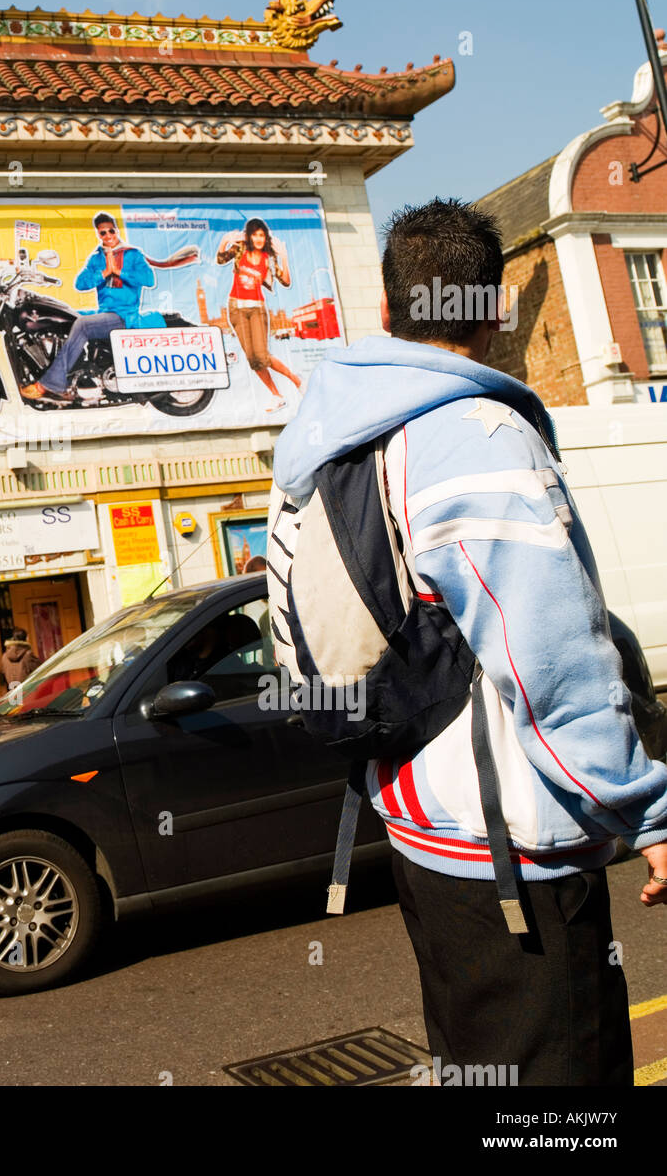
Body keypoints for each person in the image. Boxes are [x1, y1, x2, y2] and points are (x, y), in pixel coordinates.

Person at [270, 196, 667, 1085]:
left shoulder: (326, 444)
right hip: (514, 854)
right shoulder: (475, 437)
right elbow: (549, 657)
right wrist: (646, 811)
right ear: (491, 312)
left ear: (387, 310)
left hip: (415, 829)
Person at [20, 212, 158, 401]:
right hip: (104, 314)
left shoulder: (132, 254)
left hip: (124, 316)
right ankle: (72, 376)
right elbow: (80, 283)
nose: (108, 236)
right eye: (103, 233)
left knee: (83, 325)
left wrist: (118, 271)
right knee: (65, 319)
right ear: (98, 234)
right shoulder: (96, 258)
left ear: (116, 230)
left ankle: (50, 384)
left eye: (111, 231)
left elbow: (149, 280)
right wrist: (104, 273)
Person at [215, 218, 301, 413]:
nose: (259, 238)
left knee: (262, 355)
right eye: (255, 234)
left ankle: (297, 381)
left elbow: (286, 281)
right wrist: (225, 241)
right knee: (253, 359)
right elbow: (220, 259)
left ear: (266, 237)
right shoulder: (240, 250)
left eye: (262, 235)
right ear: (249, 236)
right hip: (236, 309)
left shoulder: (268, 258)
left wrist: (284, 257)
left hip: (257, 309)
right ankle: (276, 396)